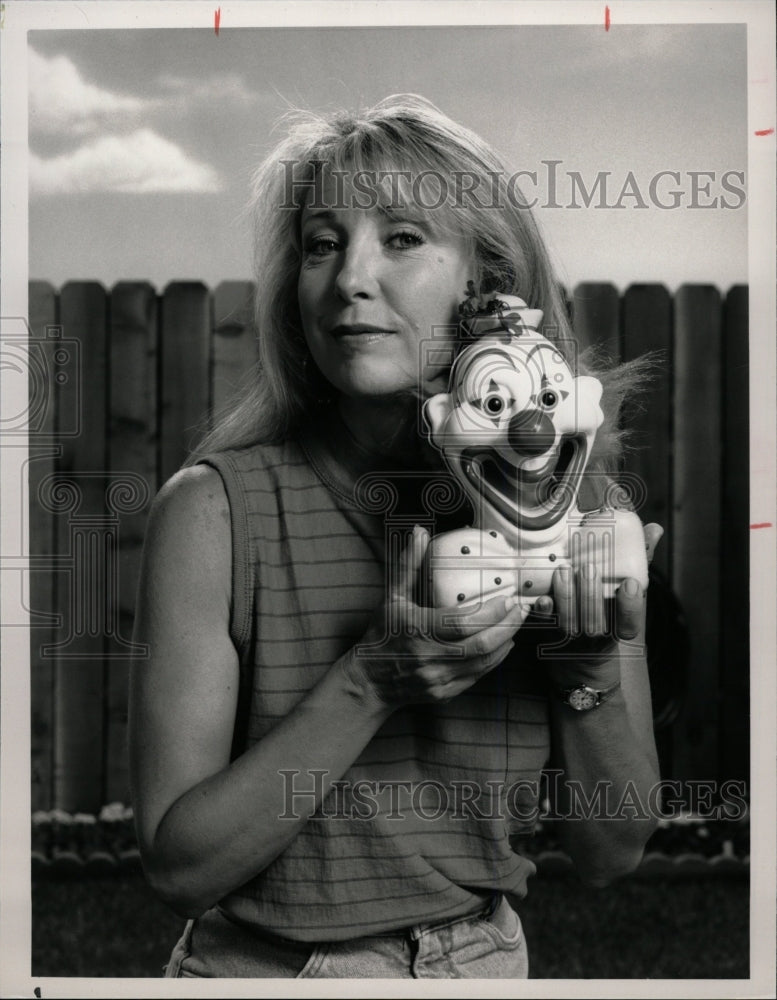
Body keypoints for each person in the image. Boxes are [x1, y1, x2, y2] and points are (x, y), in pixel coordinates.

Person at [129, 94, 662, 979]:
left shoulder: (573, 512)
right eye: (321, 244)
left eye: (403, 238)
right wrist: (371, 680)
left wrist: (588, 670)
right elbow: (178, 866)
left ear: (485, 283)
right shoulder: (214, 515)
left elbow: (615, 851)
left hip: (484, 962)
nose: (347, 280)